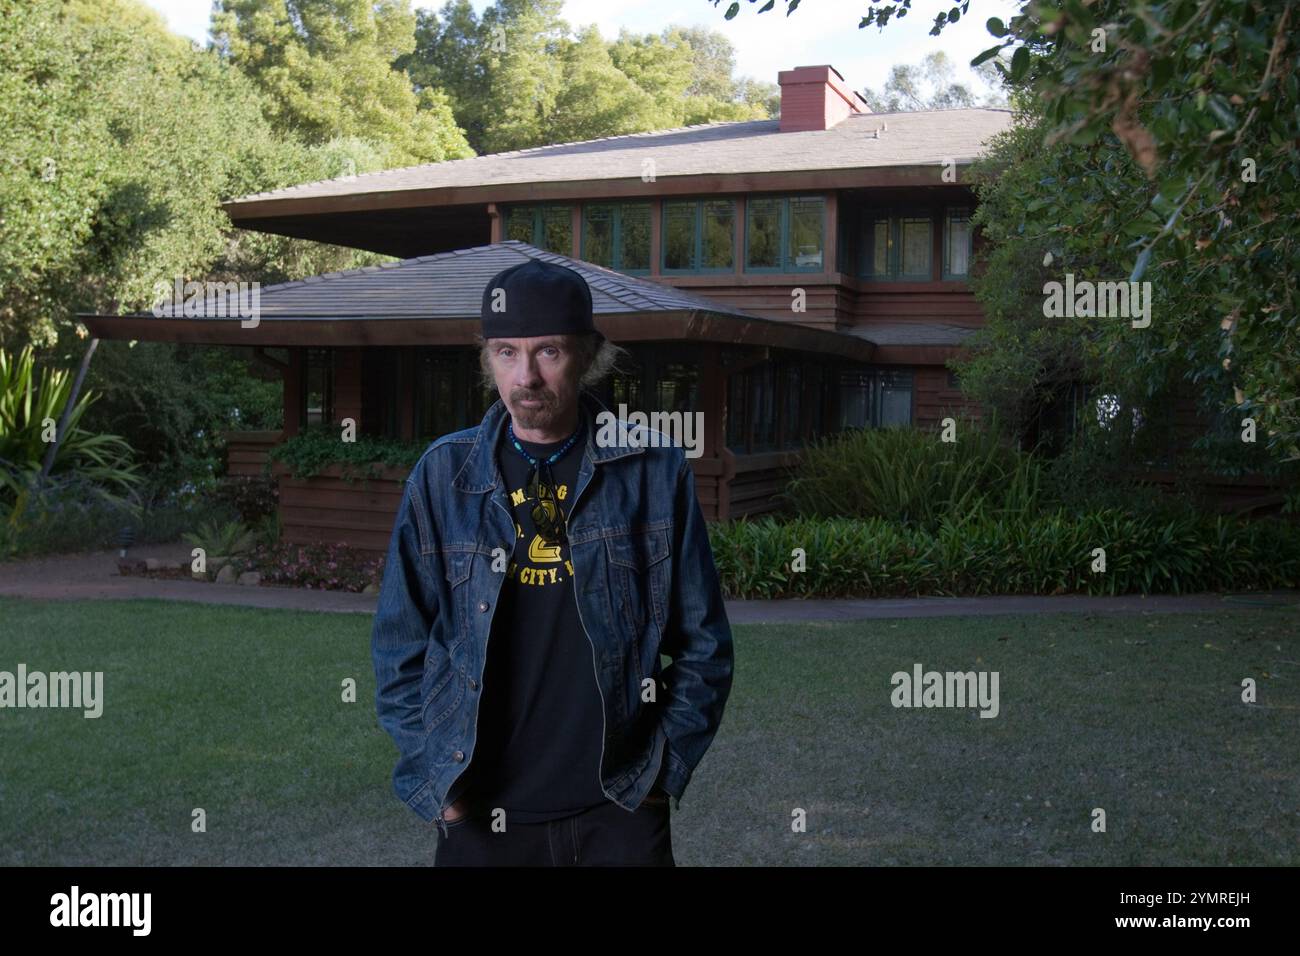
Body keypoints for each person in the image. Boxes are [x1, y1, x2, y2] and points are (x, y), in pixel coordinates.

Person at [370, 258, 734, 866]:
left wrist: (659, 777)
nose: (526, 376)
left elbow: (703, 645)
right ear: (488, 358)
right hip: (481, 817)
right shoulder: (443, 476)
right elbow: (398, 648)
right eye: (507, 352)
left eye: (549, 352)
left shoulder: (652, 471)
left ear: (588, 356)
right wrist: (444, 794)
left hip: (617, 812)